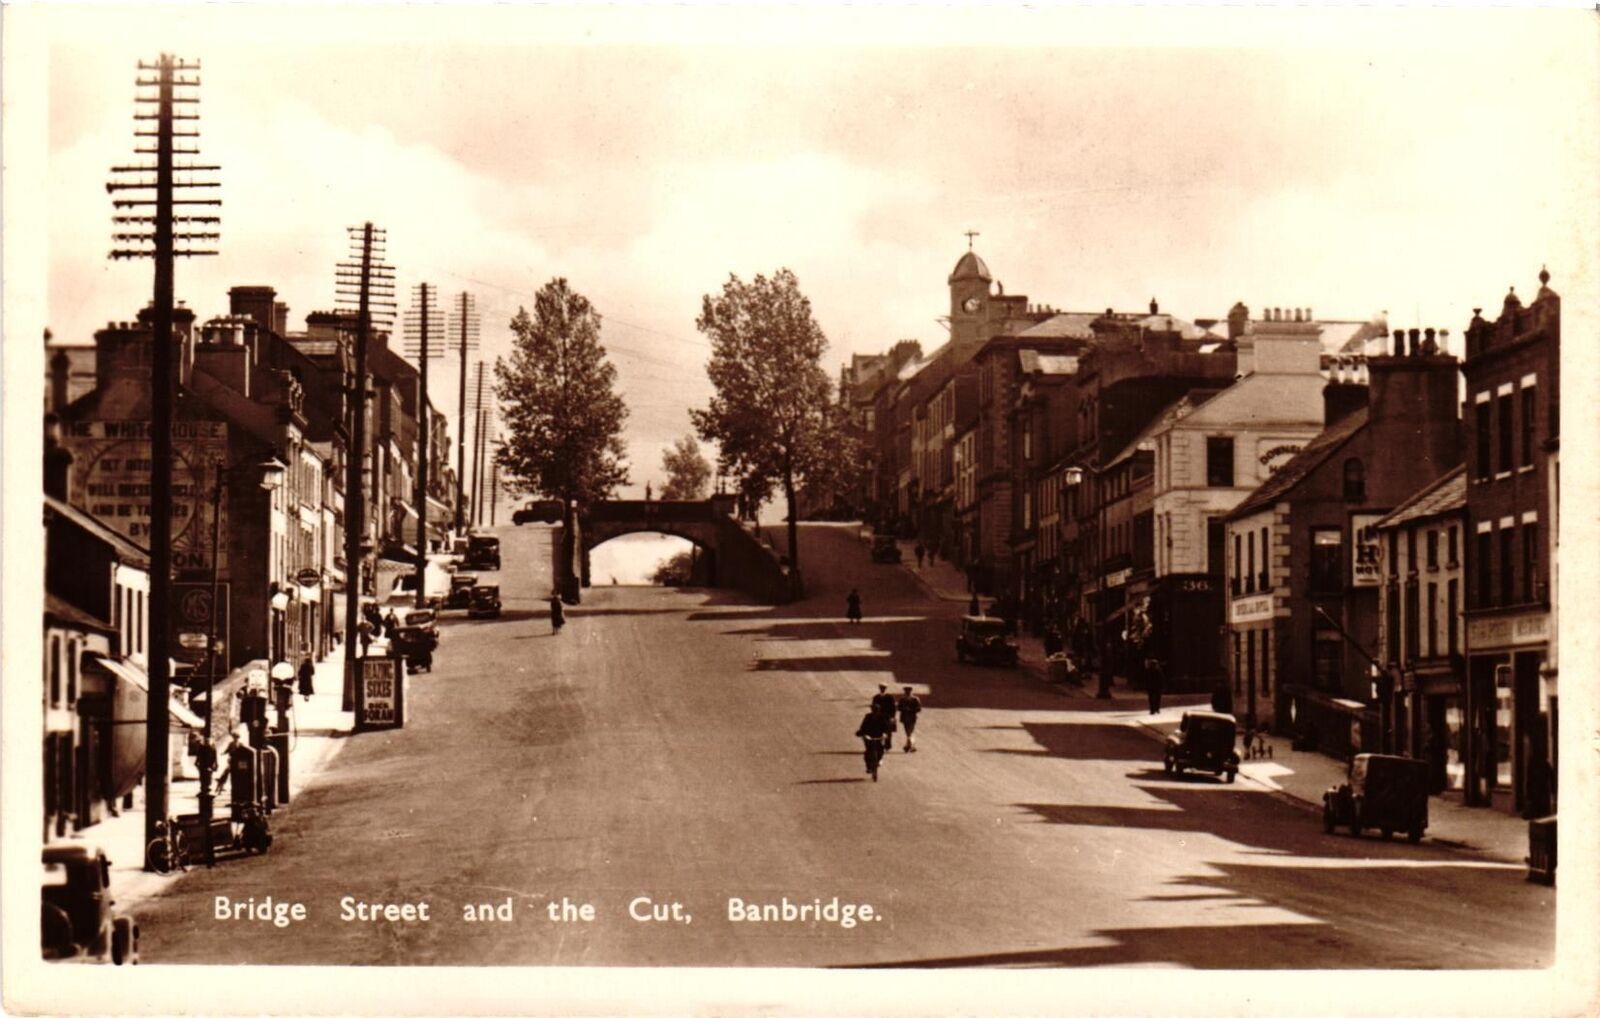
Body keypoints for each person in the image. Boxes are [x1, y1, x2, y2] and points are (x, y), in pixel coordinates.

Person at [855, 708, 891, 775]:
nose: (875, 712)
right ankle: (868, 767)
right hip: (869, 736)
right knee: (868, 752)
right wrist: (862, 733)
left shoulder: (882, 717)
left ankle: (879, 760)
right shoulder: (868, 716)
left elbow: (886, 726)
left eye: (876, 710)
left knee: (881, 749)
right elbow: (863, 726)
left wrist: (884, 733)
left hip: (879, 736)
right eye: (874, 710)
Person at [871, 683, 898, 751]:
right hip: (879, 717)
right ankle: (880, 745)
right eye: (881, 688)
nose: (882, 689)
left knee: (888, 731)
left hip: (887, 717)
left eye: (883, 688)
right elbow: (873, 707)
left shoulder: (890, 697)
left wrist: (893, 717)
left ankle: (887, 745)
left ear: (885, 689)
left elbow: (893, 707)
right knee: (878, 731)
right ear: (879, 688)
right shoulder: (876, 697)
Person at [897, 686, 922, 752]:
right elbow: (899, 707)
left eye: (909, 691)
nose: (907, 692)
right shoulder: (902, 699)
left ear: (911, 691)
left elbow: (919, 708)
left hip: (912, 717)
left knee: (909, 732)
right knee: (908, 732)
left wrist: (911, 710)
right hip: (905, 718)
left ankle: (909, 746)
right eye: (906, 691)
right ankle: (910, 746)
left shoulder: (915, 699)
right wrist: (904, 709)